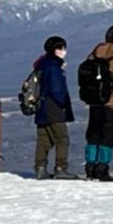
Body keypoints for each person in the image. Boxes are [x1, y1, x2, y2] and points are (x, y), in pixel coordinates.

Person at [79, 24, 113, 182]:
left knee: (93, 135)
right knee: (108, 137)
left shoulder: (94, 54)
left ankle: (90, 167)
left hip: (95, 101)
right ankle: (102, 169)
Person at [31, 36, 75, 179]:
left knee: (43, 138)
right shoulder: (54, 67)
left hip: (41, 107)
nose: (64, 51)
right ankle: (61, 167)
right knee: (62, 138)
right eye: (62, 48)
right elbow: (57, 90)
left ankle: (40, 167)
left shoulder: (42, 64)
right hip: (53, 107)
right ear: (56, 50)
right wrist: (63, 103)